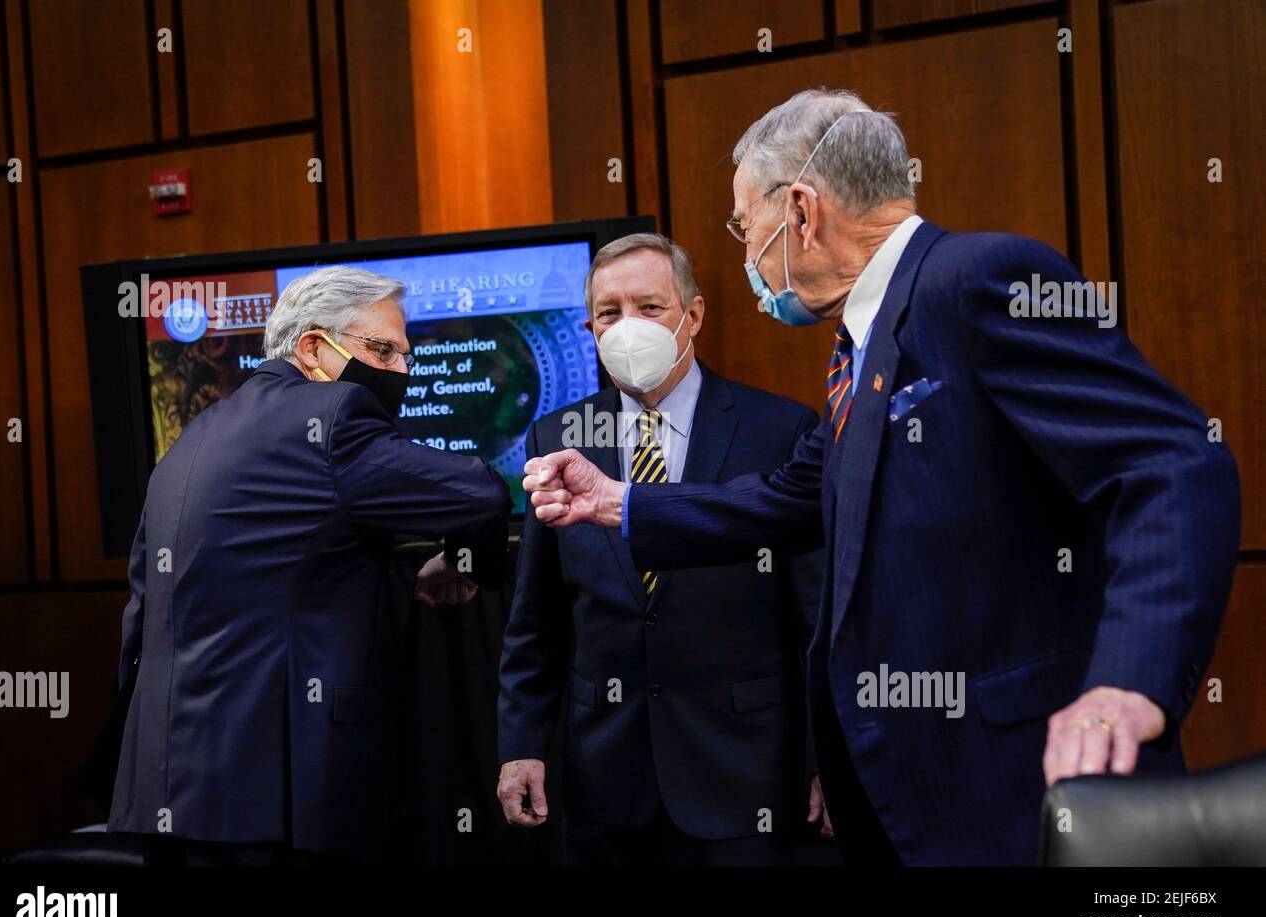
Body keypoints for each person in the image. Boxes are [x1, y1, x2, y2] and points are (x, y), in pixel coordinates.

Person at [521, 89, 1241, 865]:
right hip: (912, 788)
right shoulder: (861, 343)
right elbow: (793, 494)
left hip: (1014, 781)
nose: (746, 252)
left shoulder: (975, 280)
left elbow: (1173, 461)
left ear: (801, 211)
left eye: (744, 224)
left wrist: (1128, 684)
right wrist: (620, 503)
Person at [109, 266, 510, 864]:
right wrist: (461, 559)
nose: (403, 369)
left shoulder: (189, 440)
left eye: (405, 353)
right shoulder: (334, 417)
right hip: (277, 793)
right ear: (315, 349)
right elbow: (480, 491)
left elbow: (138, 621)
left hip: (162, 787)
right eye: (383, 350)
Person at [497, 234, 826, 866]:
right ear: (589, 325)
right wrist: (521, 745)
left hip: (745, 775)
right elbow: (534, 617)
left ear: (693, 315)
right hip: (607, 784)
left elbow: (814, 617)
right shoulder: (558, 435)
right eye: (610, 312)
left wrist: (824, 762)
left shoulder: (780, 431)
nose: (628, 327)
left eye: (649, 308)